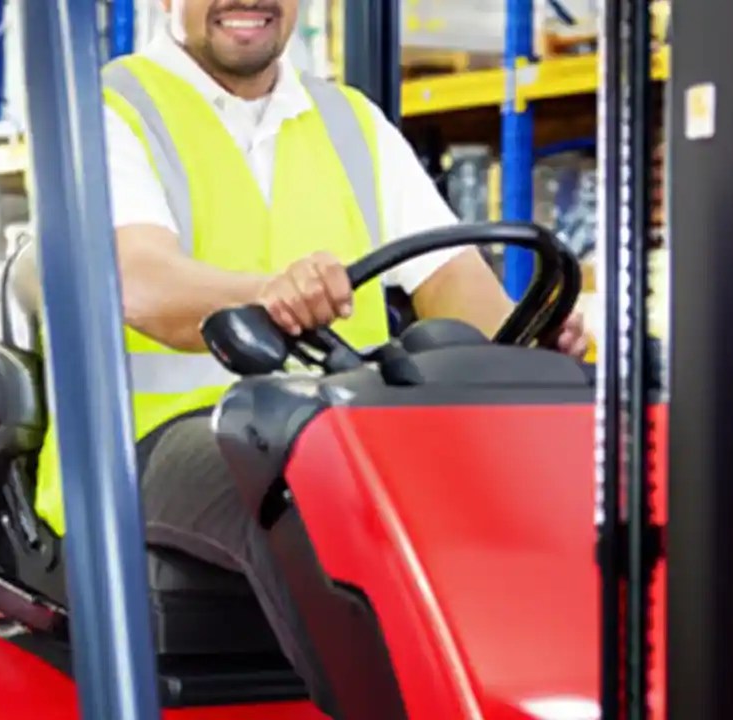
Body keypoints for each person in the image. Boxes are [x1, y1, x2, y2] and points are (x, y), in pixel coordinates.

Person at [34, 0, 589, 713]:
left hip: (338, 428)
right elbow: (138, 279)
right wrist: (266, 292)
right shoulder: (112, 110)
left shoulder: (351, 123)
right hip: (147, 445)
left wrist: (533, 334)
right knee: (307, 486)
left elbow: (458, 288)